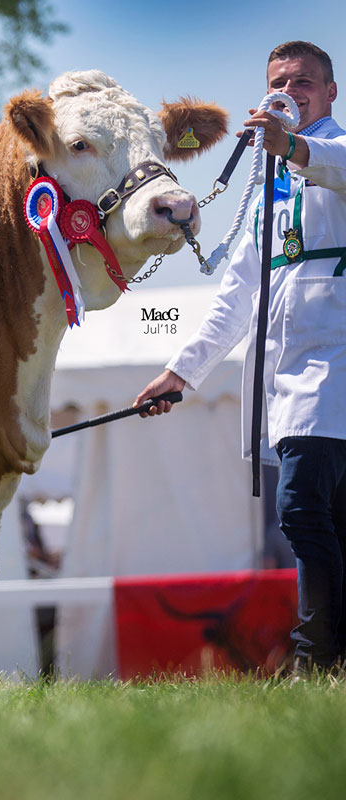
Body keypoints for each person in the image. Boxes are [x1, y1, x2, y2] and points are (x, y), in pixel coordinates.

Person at [136, 41, 346, 675]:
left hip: (336, 371)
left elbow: (336, 165)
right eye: (280, 81)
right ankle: (330, 662)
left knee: (301, 511)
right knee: (325, 521)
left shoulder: (329, 154)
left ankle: (314, 660)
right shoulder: (267, 187)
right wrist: (180, 374)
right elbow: (235, 299)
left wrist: (293, 149)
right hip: (290, 383)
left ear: (330, 93)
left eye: (304, 81)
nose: (291, 90)